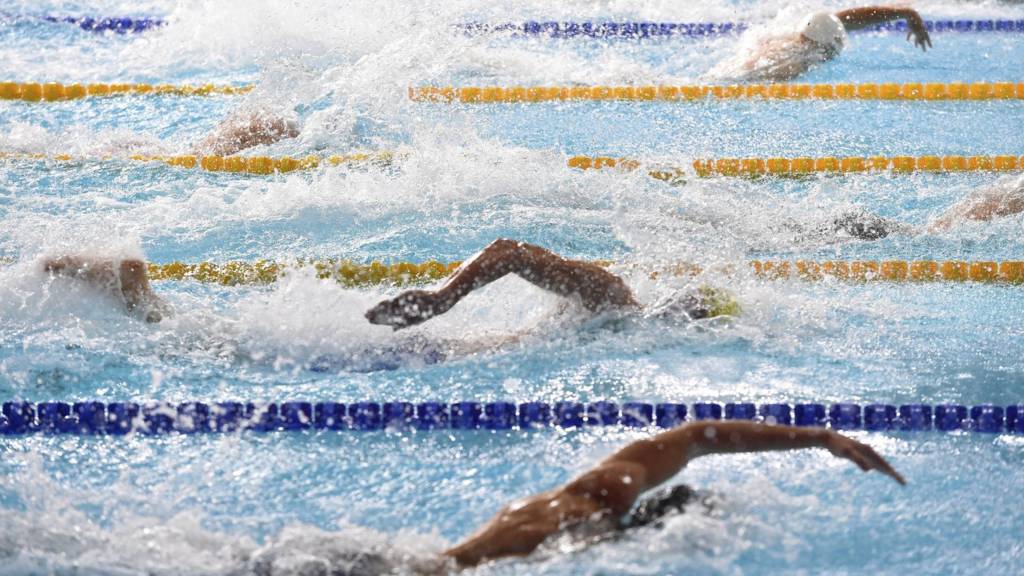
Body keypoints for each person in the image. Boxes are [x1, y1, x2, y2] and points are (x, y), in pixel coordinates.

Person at [709, 6, 931, 82]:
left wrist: (906, 13)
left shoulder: (799, 36)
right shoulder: (795, 61)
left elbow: (842, 19)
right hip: (728, 82)